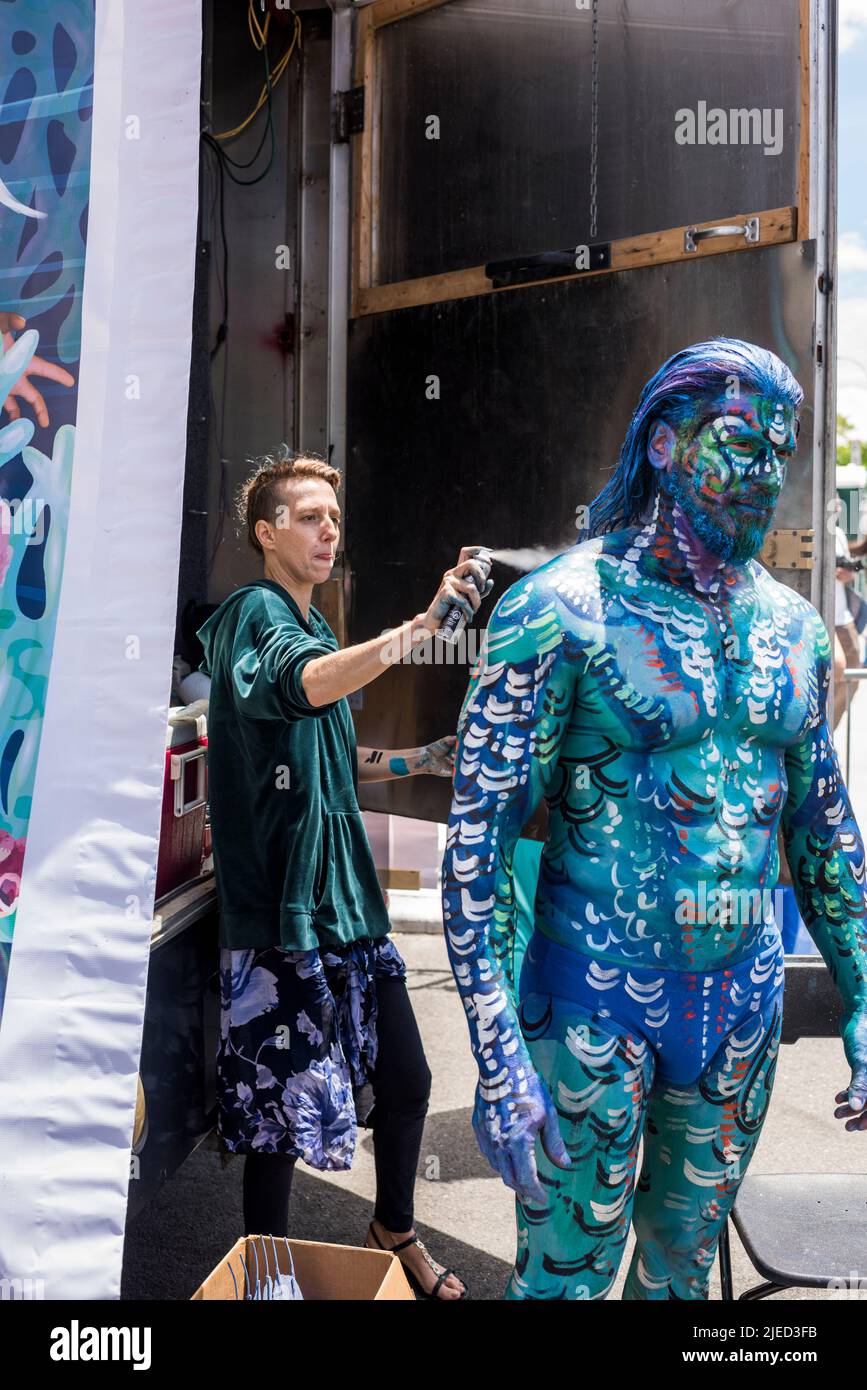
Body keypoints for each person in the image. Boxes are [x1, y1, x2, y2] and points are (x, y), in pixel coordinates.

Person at [442, 338, 867, 1300]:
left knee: (677, 1281)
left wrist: (864, 994)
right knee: (562, 1283)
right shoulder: (558, 611)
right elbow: (477, 847)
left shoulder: (795, 629)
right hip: (590, 1006)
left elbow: (823, 829)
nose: (764, 472)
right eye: (739, 442)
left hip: (737, 1013)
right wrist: (496, 1048)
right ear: (666, 447)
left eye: (781, 449)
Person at [198, 447, 492, 1299]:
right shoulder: (254, 615)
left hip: (344, 904)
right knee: (280, 1118)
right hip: (281, 912)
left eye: (334, 518)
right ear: (266, 532)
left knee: (406, 1079)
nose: (328, 530)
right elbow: (300, 688)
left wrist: (420, 758)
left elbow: (330, 747)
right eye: (307, 517)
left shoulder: (318, 630)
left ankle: (392, 1231)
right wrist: (421, 627)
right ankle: (267, 1274)